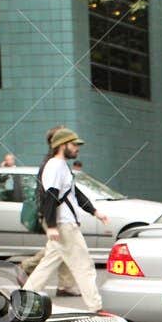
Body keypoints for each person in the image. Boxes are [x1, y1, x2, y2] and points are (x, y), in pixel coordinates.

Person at [23, 128, 108, 310]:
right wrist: (52, 225)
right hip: (64, 224)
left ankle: (24, 299)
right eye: (74, 144)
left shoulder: (61, 166)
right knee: (84, 266)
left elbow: (74, 193)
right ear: (62, 145)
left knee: (47, 264)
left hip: (63, 223)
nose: (77, 148)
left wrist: (95, 211)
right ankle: (96, 307)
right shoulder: (54, 166)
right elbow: (50, 196)